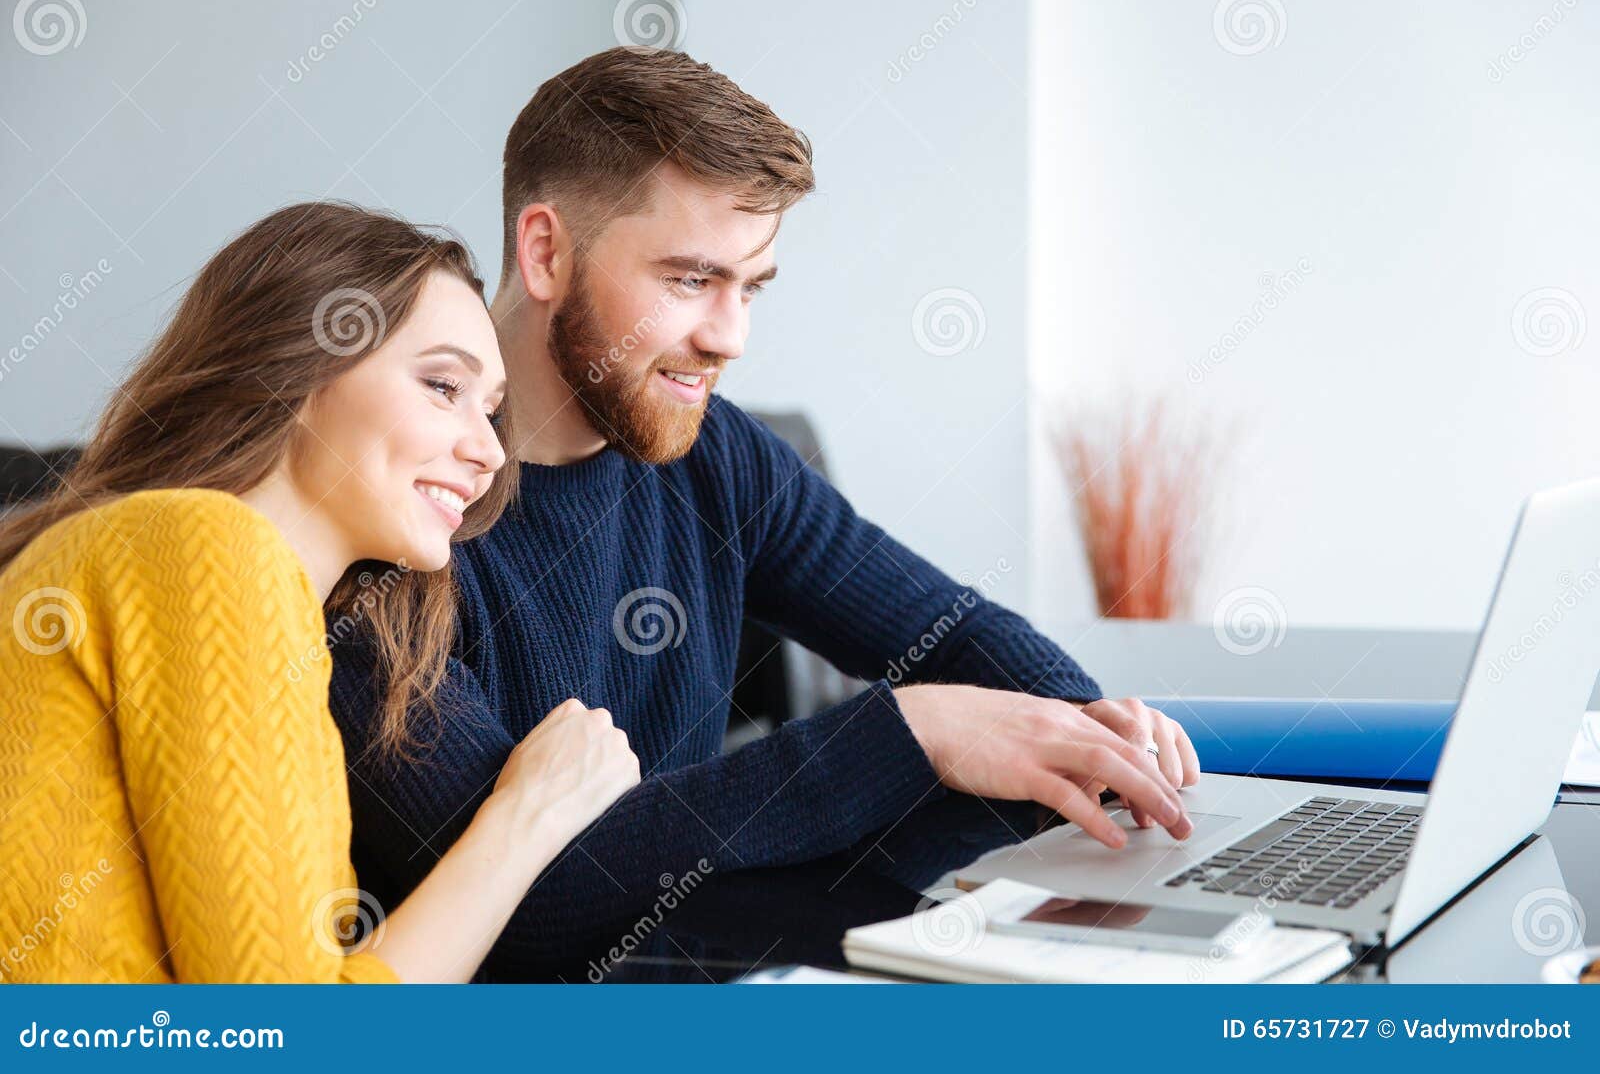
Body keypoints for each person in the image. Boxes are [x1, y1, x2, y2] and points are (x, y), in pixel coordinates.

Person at [329, 49, 1202, 979]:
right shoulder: (393, 521)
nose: (729, 336)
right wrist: (911, 733)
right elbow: (522, 914)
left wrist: (1097, 734)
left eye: (750, 287)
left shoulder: (718, 456)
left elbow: (958, 635)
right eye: (689, 279)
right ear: (545, 251)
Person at [0, 201, 639, 983]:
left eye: (494, 412)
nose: (486, 452)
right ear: (302, 370)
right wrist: (527, 815)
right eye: (444, 386)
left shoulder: (255, 600)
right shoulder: (203, 544)